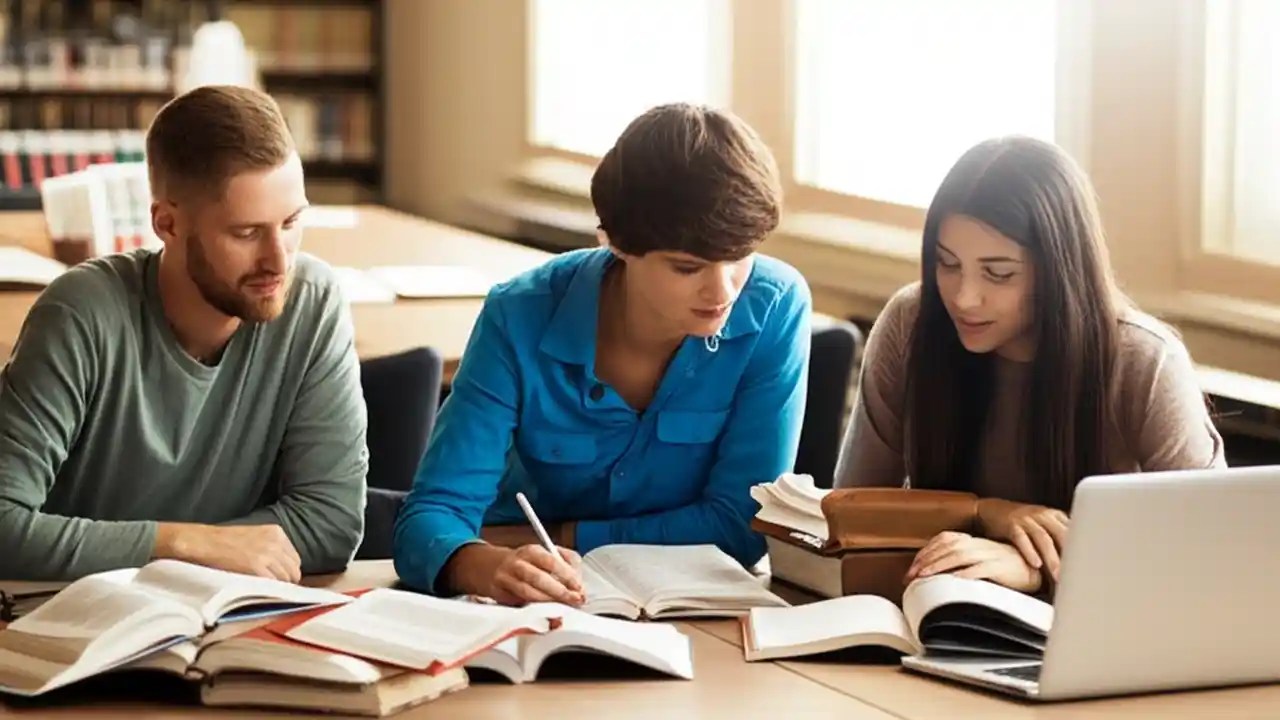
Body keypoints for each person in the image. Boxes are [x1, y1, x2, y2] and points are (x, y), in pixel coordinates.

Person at [394, 103, 812, 605]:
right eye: (686, 268)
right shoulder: (519, 313)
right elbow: (430, 518)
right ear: (614, 242)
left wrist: (560, 537)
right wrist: (481, 564)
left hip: (691, 610)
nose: (722, 291)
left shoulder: (777, 305)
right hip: (525, 609)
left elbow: (741, 528)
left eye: (739, 258)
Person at [0, 85, 368, 582]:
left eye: (291, 222)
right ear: (167, 224)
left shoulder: (313, 302)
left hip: (231, 611)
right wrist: (185, 545)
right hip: (75, 614)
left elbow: (331, 523)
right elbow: (4, 523)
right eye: (246, 232)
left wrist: (196, 554)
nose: (279, 261)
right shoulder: (80, 313)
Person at [834, 136, 1224, 594]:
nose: (964, 297)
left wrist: (1035, 570)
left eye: (999, 273)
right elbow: (853, 512)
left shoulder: (1146, 362)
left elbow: (1207, 554)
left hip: (1098, 625)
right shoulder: (912, 322)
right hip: (936, 613)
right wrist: (987, 513)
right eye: (947, 263)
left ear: (1058, 267)